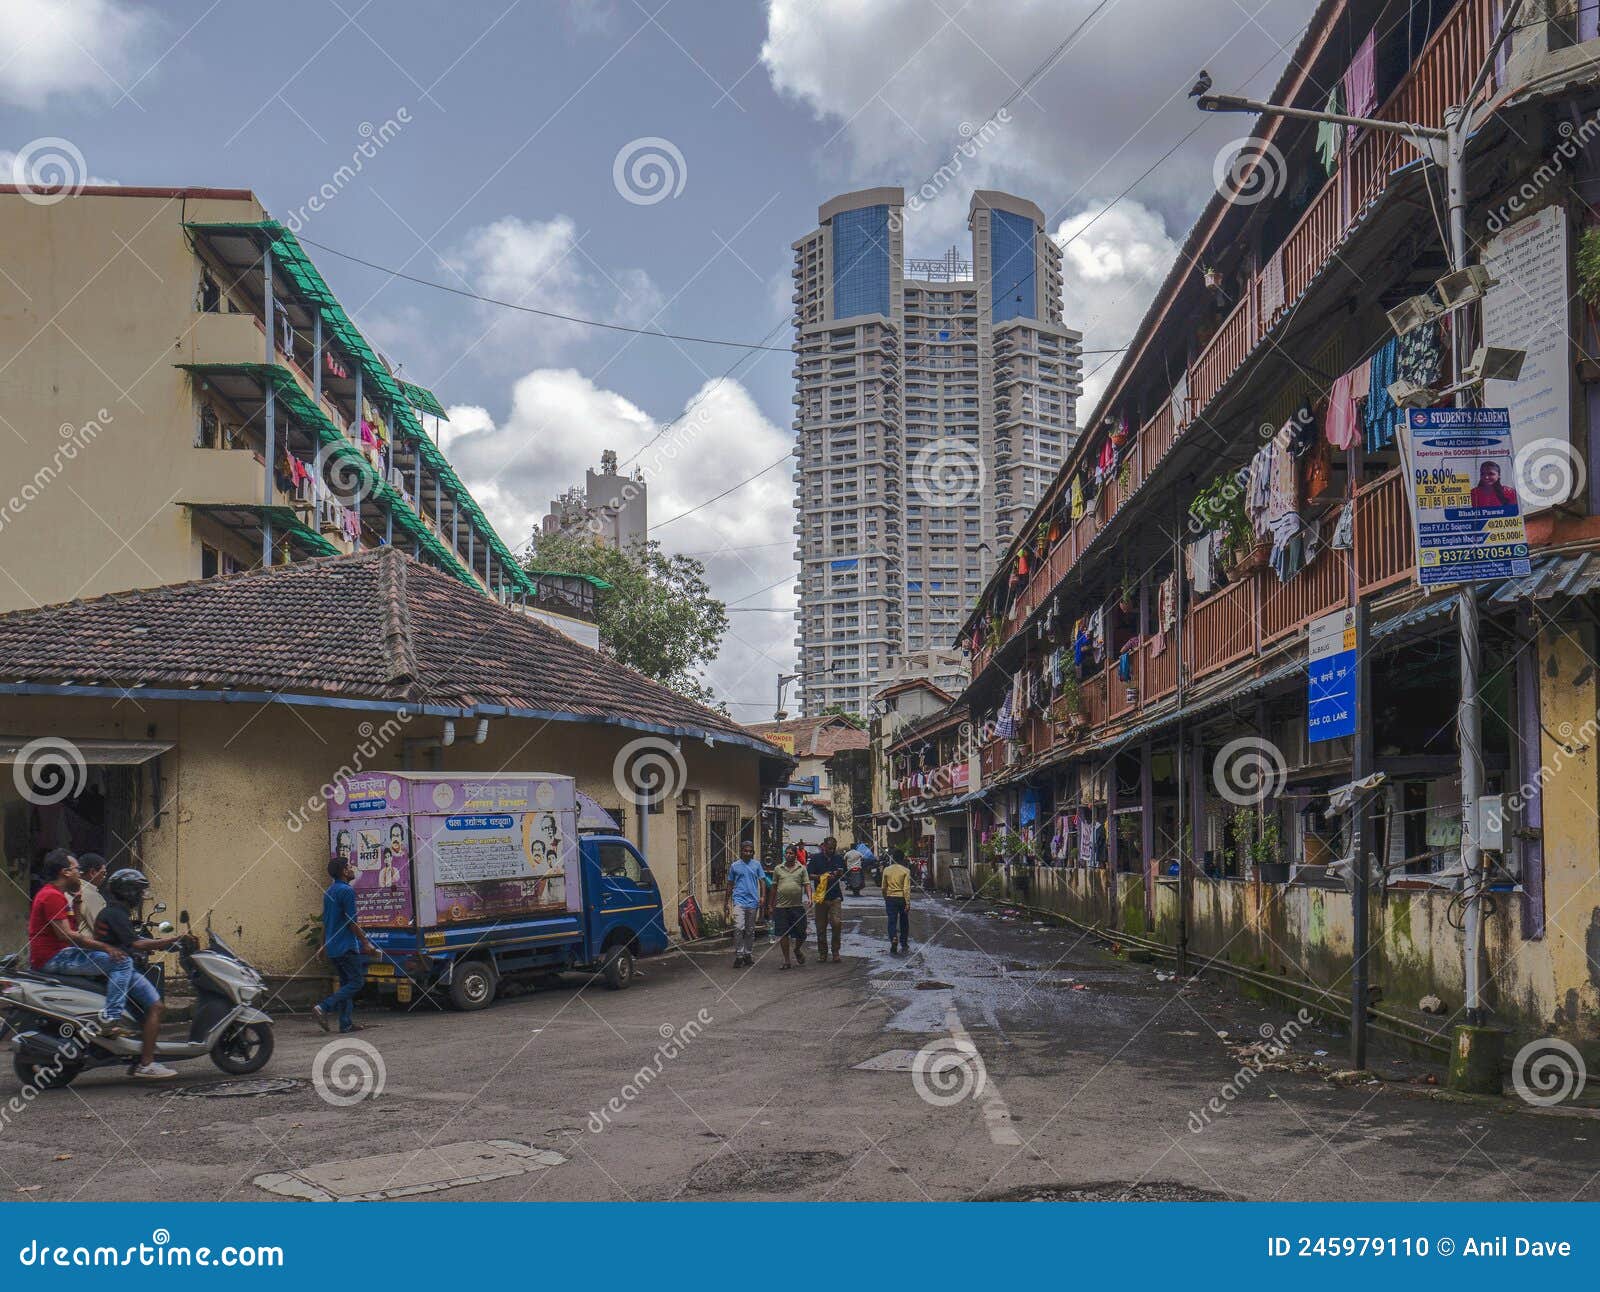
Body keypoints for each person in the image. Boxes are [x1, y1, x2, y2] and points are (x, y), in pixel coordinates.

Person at [28, 850, 134, 1037]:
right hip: (54, 957)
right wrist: (107, 947)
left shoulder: (58, 895)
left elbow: (72, 928)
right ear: (65, 872)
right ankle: (110, 1019)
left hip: (57, 954)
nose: (79, 872)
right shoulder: (52, 896)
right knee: (123, 962)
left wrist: (76, 905)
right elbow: (66, 935)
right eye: (76, 869)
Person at [94, 868, 186, 1079]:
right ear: (128, 892)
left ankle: (138, 1054)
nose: (141, 896)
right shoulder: (116, 913)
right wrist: (170, 941)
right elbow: (135, 942)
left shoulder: (113, 912)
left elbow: (126, 941)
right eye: (138, 891)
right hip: (121, 967)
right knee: (156, 1006)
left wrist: (149, 946)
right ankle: (146, 1063)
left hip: (116, 964)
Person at [312, 855, 377, 1034]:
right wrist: (366, 943)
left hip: (334, 948)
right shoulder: (346, 891)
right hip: (346, 947)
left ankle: (345, 1023)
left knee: (346, 984)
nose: (352, 868)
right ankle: (323, 1007)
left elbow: (325, 922)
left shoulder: (329, 891)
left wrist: (322, 945)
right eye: (349, 866)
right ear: (343, 871)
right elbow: (352, 921)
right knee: (356, 982)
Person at [724, 841, 765, 968]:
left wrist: (763, 896)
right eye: (745, 851)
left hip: (753, 901)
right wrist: (726, 902)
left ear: (753, 852)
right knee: (738, 928)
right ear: (741, 851)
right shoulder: (735, 866)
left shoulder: (757, 865)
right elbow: (730, 884)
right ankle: (739, 955)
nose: (747, 853)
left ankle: (748, 954)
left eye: (750, 851)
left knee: (750, 930)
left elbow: (762, 881)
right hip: (739, 901)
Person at [770, 848, 812, 969]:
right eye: (786, 853)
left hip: (797, 906)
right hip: (781, 907)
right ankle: (787, 960)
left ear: (795, 855)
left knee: (801, 932)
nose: (788, 855)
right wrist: (770, 905)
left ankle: (797, 949)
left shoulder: (801, 868)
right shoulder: (778, 869)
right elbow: (773, 887)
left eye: (791, 853)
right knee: (783, 934)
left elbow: (807, 884)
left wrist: (810, 897)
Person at [808, 836, 847, 963]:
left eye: (834, 848)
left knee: (836, 923)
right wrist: (822, 877)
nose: (832, 850)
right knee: (820, 927)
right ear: (824, 846)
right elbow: (809, 875)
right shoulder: (815, 859)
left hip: (835, 896)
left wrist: (839, 874)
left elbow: (844, 873)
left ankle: (835, 951)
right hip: (821, 897)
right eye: (829, 848)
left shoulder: (839, 858)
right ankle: (822, 953)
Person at [881, 851, 912, 954]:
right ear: (903, 859)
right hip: (902, 898)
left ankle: (893, 937)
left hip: (890, 898)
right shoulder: (906, 870)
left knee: (892, 921)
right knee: (904, 921)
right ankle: (903, 942)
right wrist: (907, 902)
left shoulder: (887, 870)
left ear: (892, 858)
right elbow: (906, 888)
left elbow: (883, 887)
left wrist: (885, 897)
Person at [76, 853, 108, 927]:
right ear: (92, 872)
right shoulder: (92, 895)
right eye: (103, 873)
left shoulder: (68, 890)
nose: (104, 877)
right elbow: (100, 928)